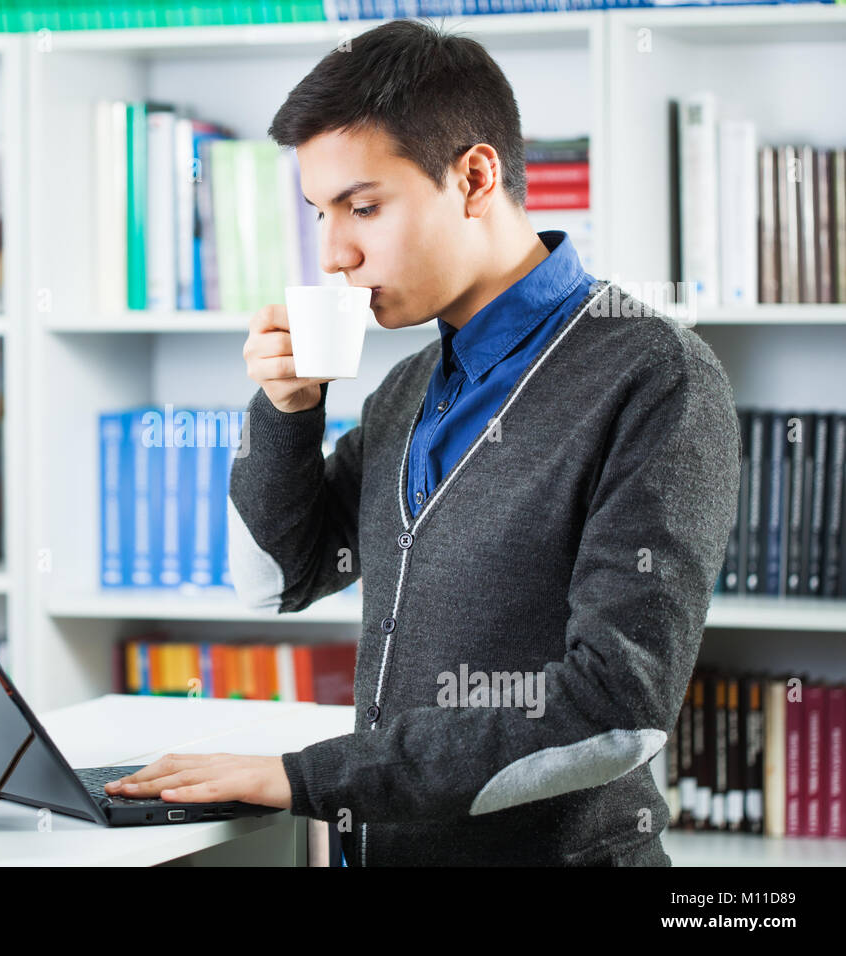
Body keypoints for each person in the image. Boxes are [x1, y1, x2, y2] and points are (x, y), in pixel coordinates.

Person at [104, 18, 740, 866]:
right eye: (321, 214)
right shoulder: (411, 384)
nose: (335, 253)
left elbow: (617, 710)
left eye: (363, 207)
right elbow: (272, 582)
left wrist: (312, 777)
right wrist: (284, 409)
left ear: (475, 176)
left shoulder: (657, 376)